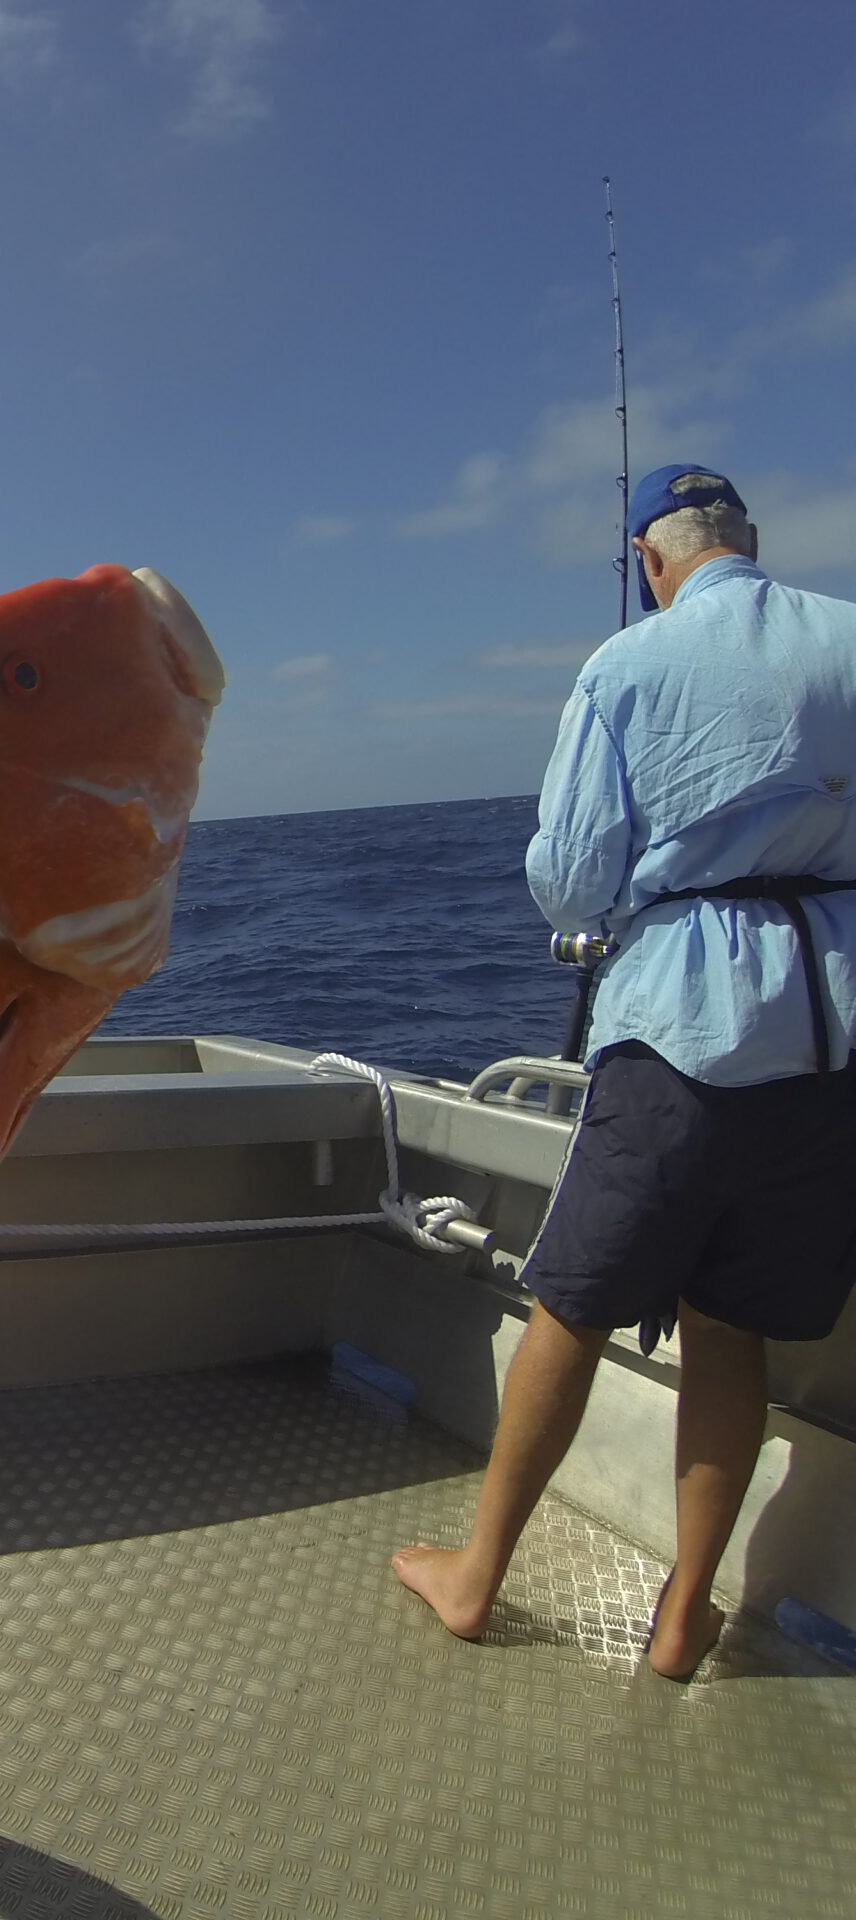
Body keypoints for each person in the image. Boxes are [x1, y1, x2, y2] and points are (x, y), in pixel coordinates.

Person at [393, 464, 856, 1681]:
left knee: (575, 1302)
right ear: (746, 540)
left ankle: (477, 1577)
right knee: (731, 1326)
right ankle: (685, 1613)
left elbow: (572, 878)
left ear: (650, 561)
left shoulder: (626, 664)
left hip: (682, 1035)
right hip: (831, 1039)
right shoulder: (850, 640)